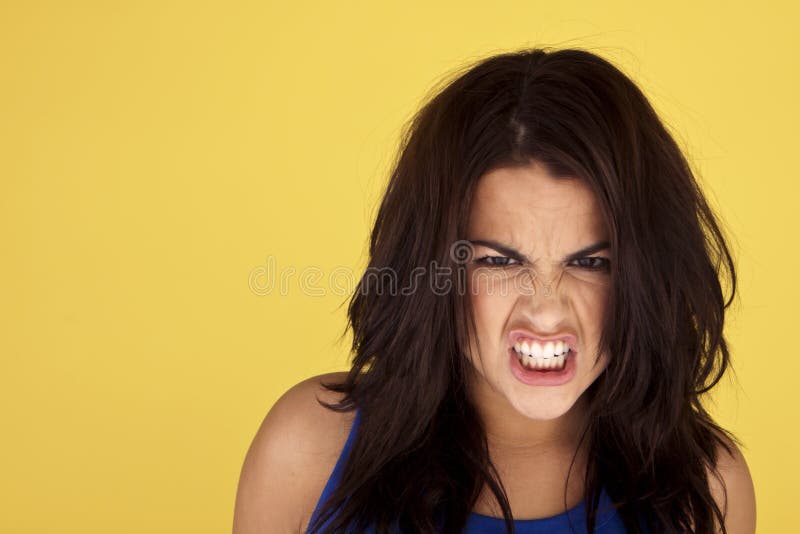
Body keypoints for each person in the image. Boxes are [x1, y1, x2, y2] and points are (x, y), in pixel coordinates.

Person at [233, 47, 756, 533]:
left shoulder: (705, 489)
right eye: (500, 260)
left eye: (592, 261)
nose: (546, 310)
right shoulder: (309, 449)